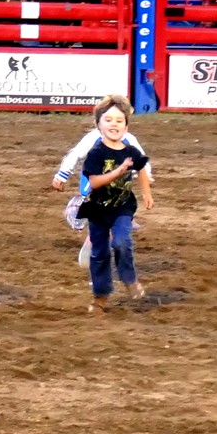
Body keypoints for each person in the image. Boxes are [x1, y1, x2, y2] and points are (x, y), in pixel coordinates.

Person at [74, 96, 153, 313]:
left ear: (126, 127)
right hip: (97, 210)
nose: (114, 124)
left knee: (121, 242)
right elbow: (94, 182)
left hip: (122, 207)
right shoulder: (96, 153)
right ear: (98, 125)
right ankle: (100, 297)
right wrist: (118, 171)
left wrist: (146, 193)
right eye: (108, 120)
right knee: (99, 254)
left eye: (119, 121)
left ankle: (129, 280)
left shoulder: (130, 151)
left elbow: (141, 168)